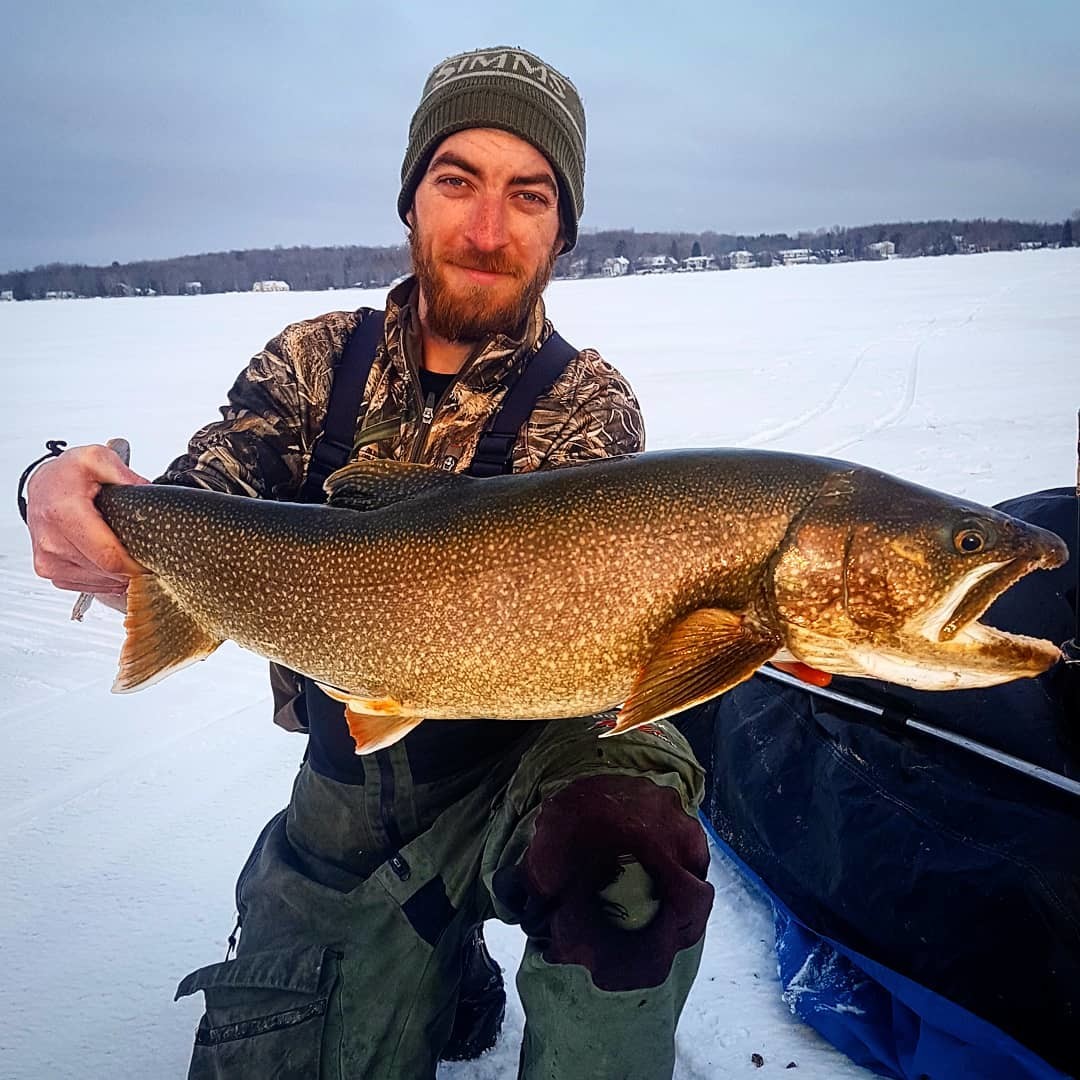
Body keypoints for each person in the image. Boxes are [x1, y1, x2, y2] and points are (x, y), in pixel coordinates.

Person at [24, 47, 714, 1079]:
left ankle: (503, 937)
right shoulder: (312, 363)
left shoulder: (589, 405)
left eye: (528, 194)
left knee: (630, 866)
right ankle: (431, 968)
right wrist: (55, 484)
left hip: (527, 758)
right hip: (355, 773)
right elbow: (203, 500)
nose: (487, 228)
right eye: (457, 182)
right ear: (410, 201)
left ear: (561, 227)